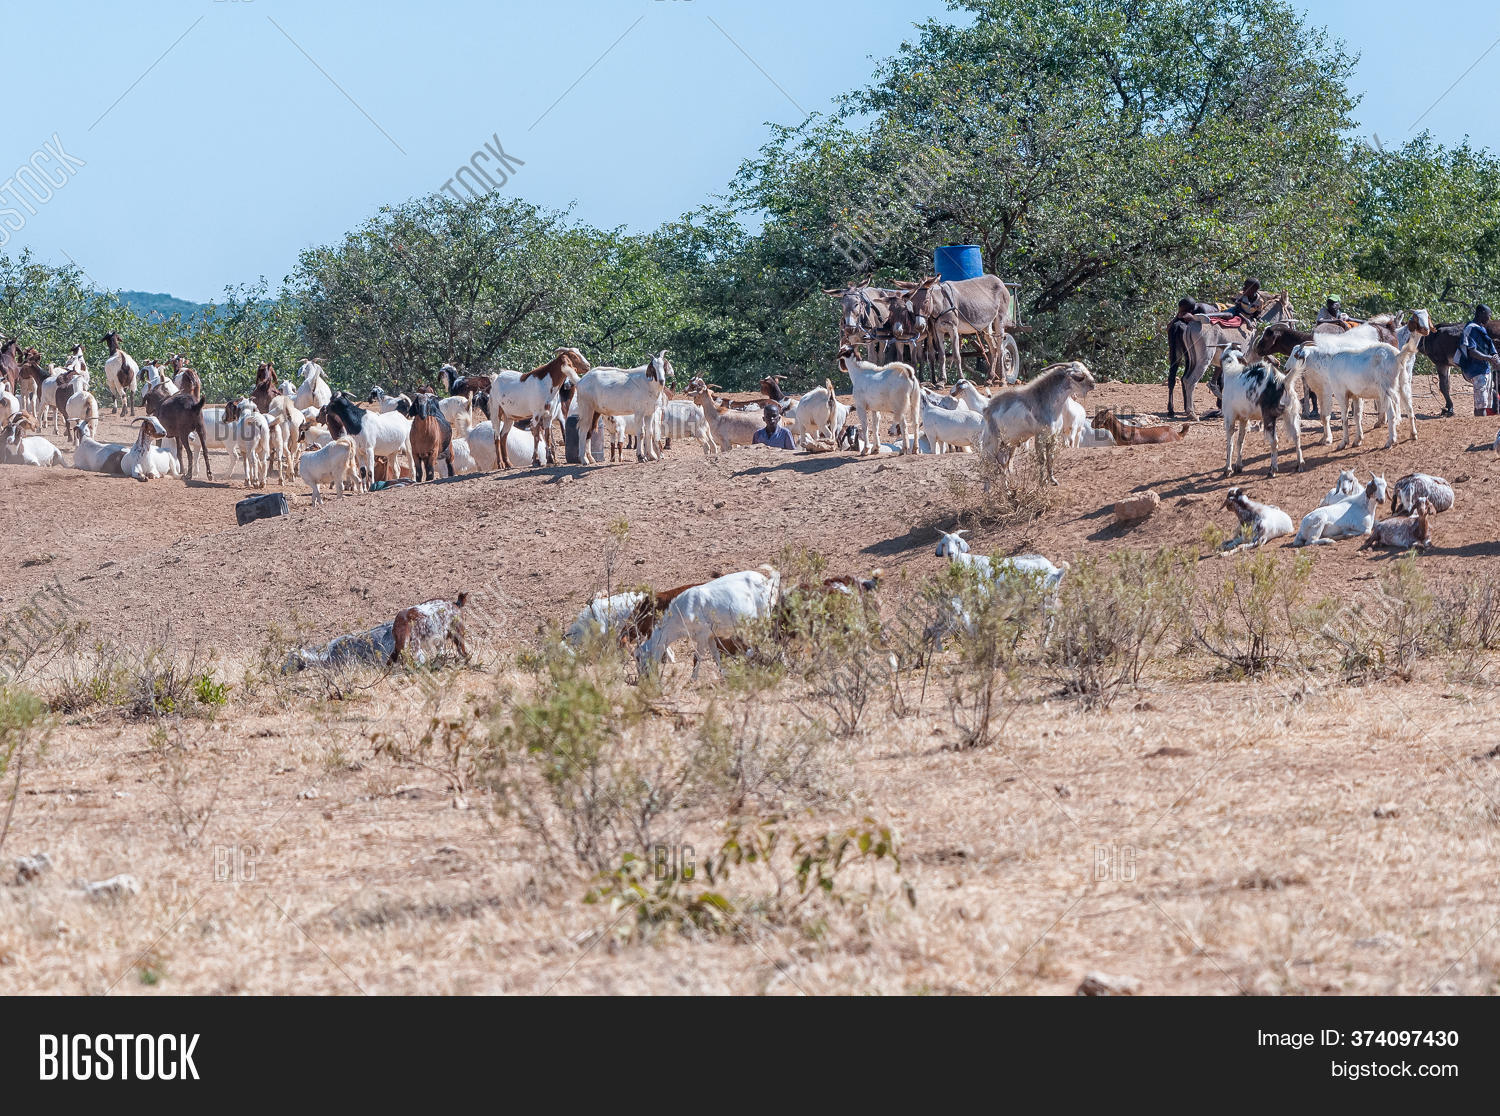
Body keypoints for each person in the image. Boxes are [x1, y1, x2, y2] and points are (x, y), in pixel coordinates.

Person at [1456, 304, 1500, 416]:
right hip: (1476, 370)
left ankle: (1479, 428)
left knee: (1484, 404)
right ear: (1481, 313)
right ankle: (1481, 430)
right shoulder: (1471, 329)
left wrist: (1495, 357)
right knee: (1481, 407)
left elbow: (1491, 347)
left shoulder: (1481, 329)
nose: (1489, 318)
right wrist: (1489, 358)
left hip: (1484, 369)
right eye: (1489, 315)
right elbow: (1472, 351)